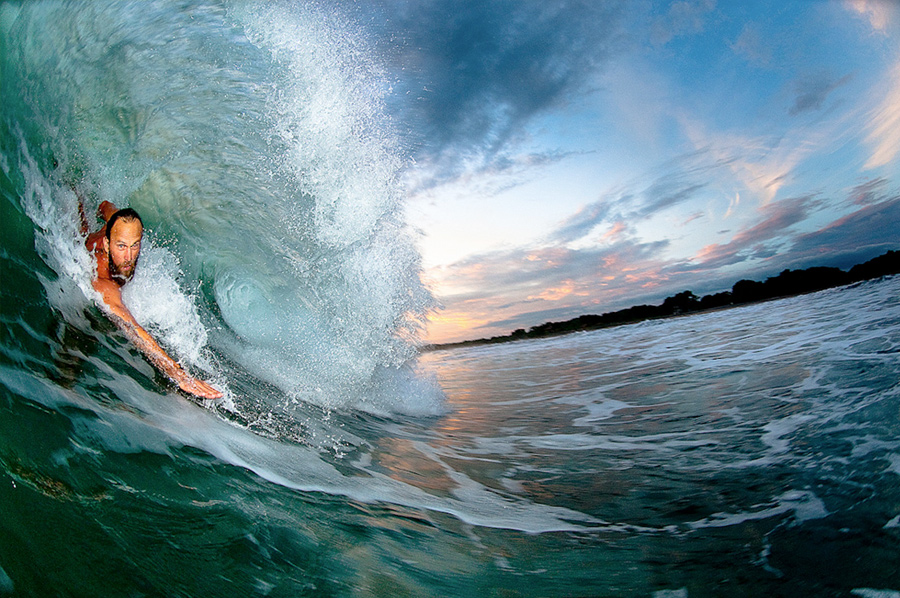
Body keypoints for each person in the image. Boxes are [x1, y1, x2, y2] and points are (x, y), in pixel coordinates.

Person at [81, 200, 223, 400]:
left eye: (135, 245)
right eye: (121, 246)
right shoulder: (103, 279)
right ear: (107, 243)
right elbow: (129, 325)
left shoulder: (119, 222)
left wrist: (100, 207)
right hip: (82, 245)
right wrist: (176, 372)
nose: (129, 256)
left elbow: (104, 206)